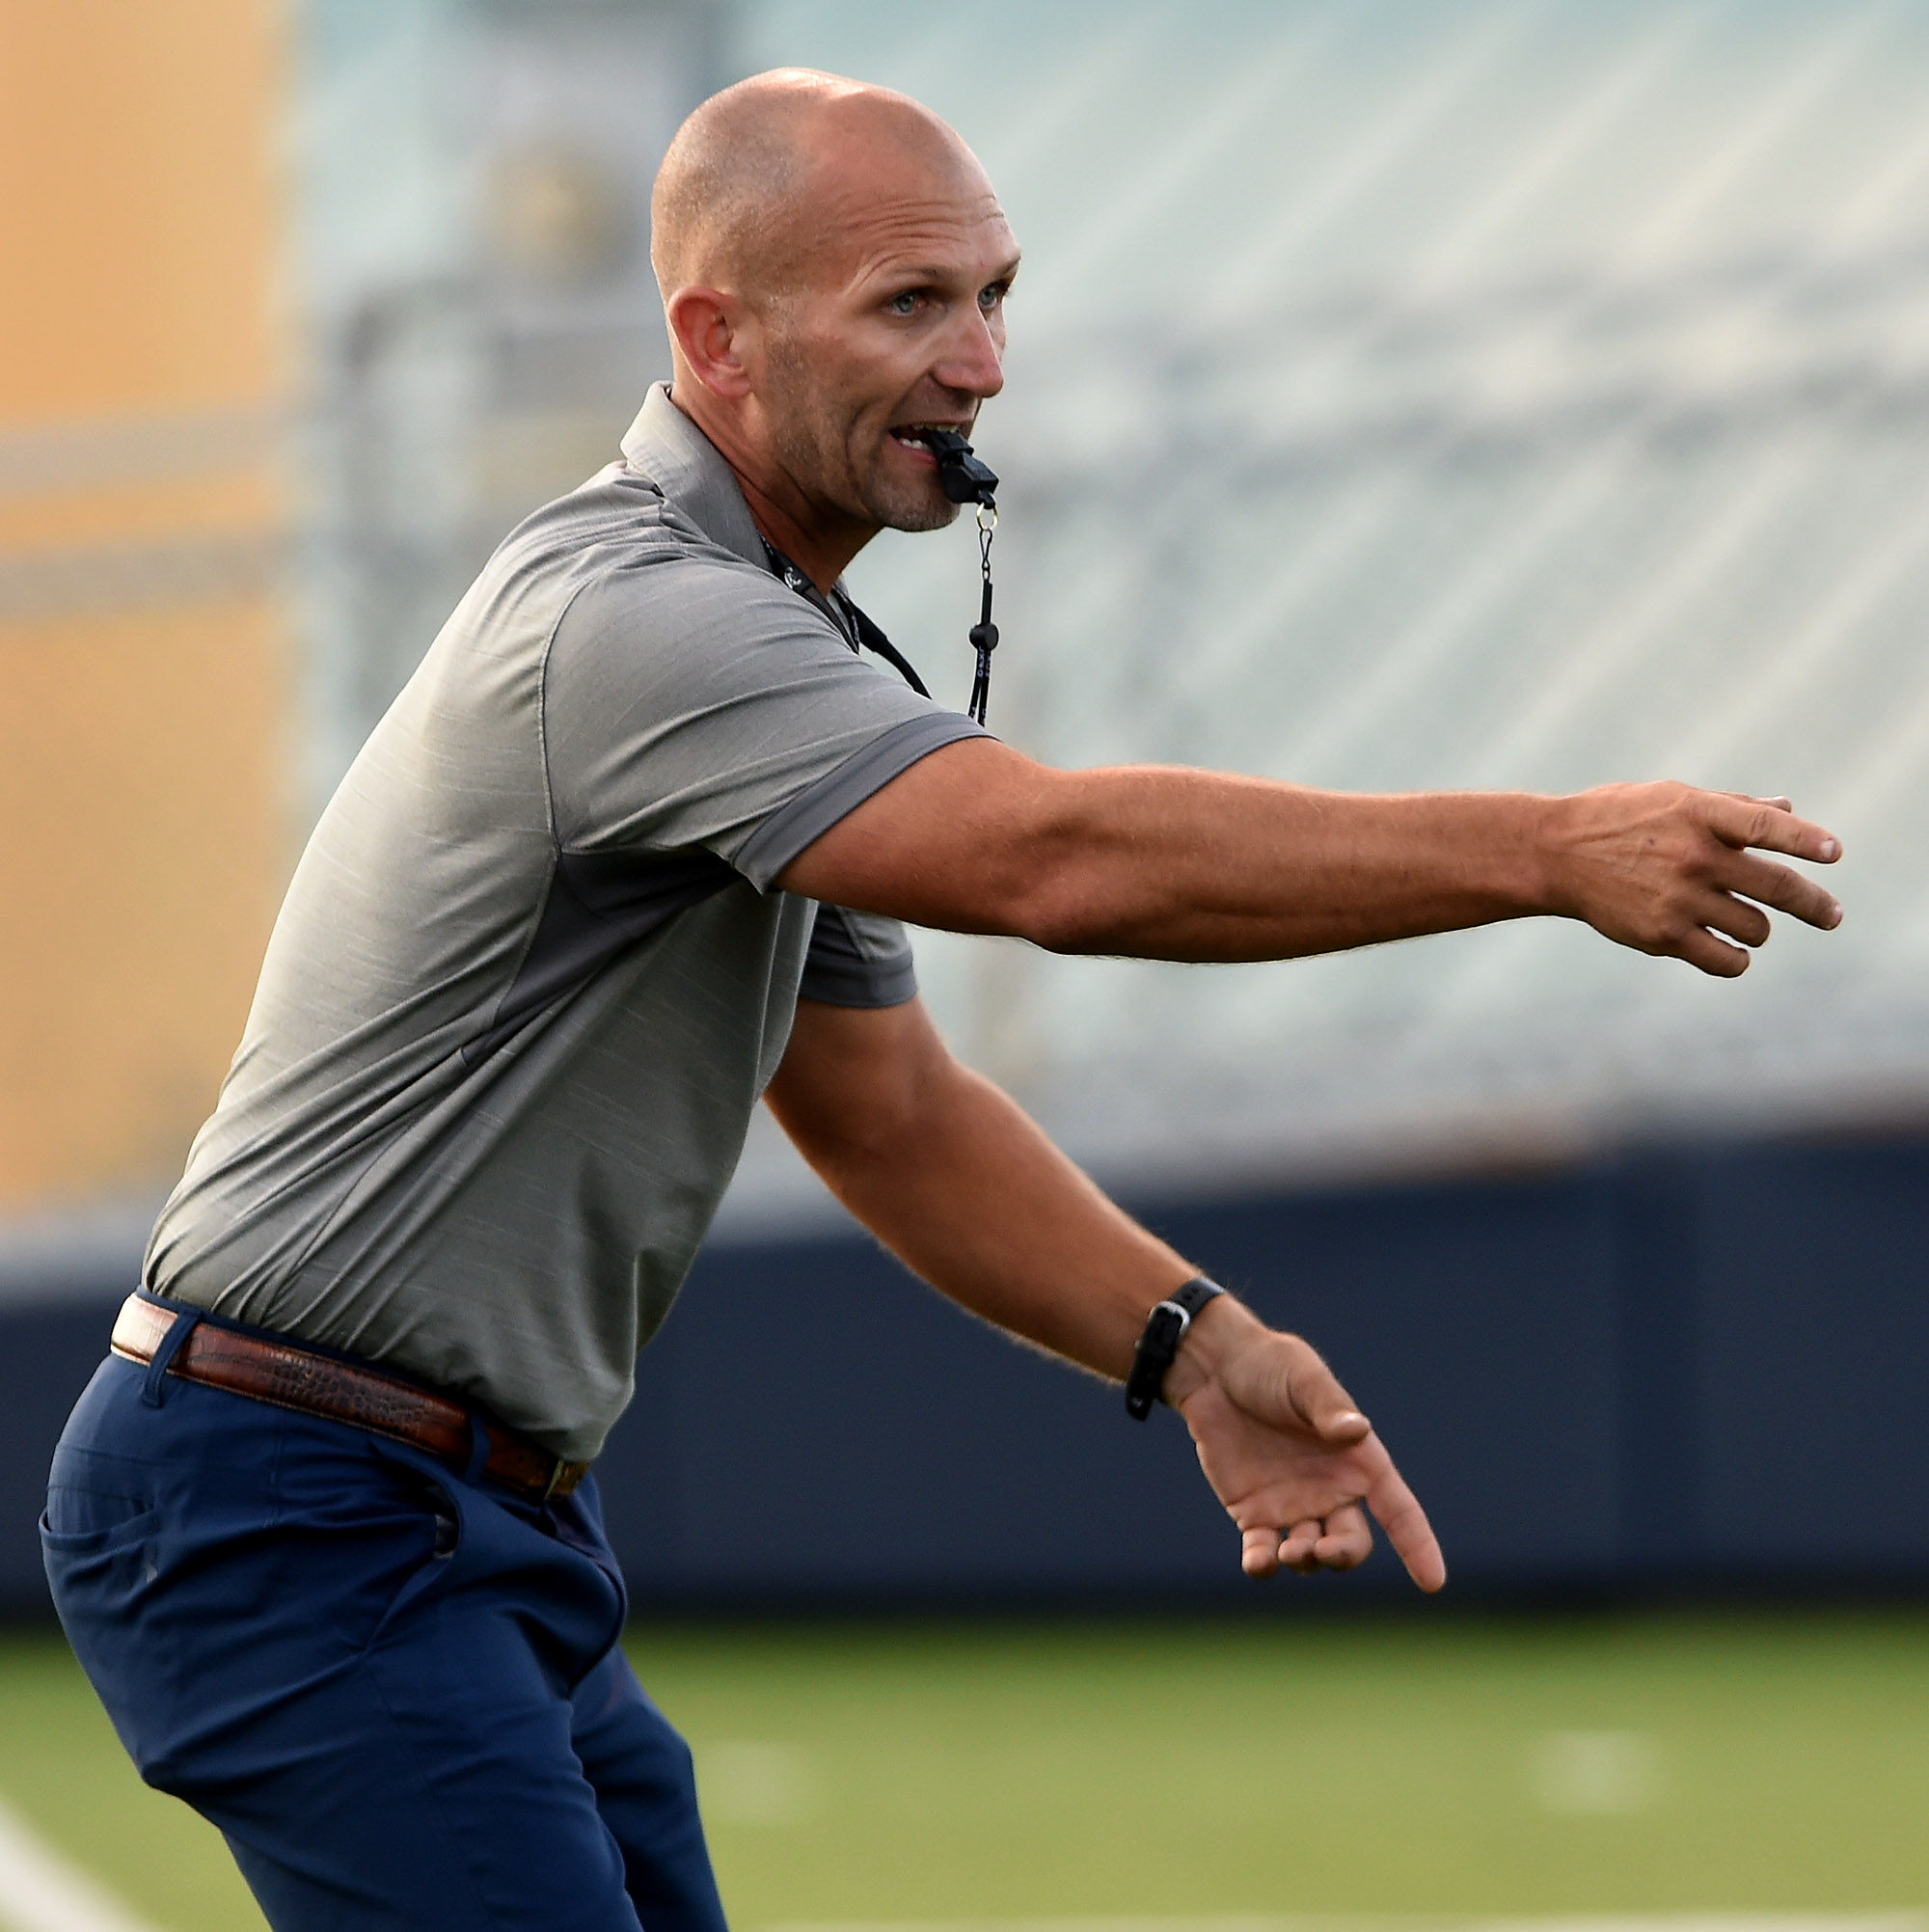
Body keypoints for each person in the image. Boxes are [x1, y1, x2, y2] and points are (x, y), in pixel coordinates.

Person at [42, 68, 1843, 1932]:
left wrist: (1196, 1345)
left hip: (444, 1511)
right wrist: (1549, 846)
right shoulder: (646, 617)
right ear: (713, 338)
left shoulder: (772, 637)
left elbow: (887, 1113)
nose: (981, 363)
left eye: (996, 297)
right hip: (294, 1500)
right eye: (913, 304)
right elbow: (1051, 860)